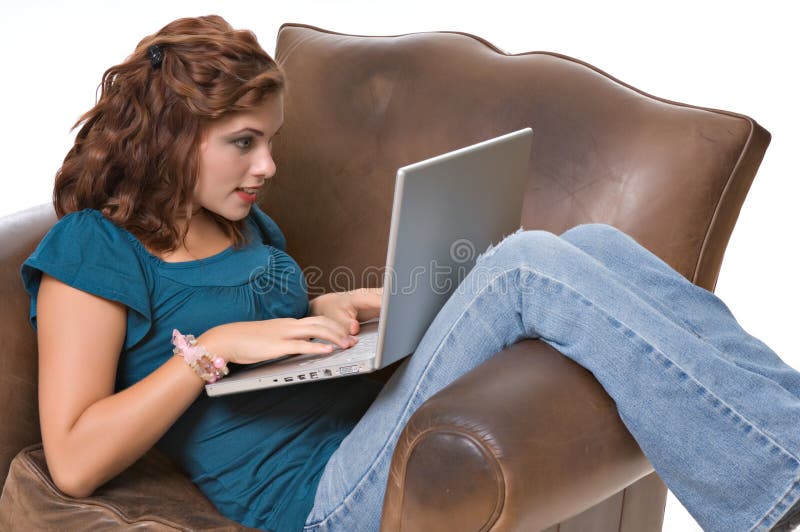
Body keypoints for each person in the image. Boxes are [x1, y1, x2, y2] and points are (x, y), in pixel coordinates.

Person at [20, 14, 800, 532]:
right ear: (168, 138)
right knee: (524, 263)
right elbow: (76, 458)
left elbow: (266, 325)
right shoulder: (96, 248)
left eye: (271, 141)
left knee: (589, 242)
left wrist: (345, 308)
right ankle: (781, 472)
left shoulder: (240, 221)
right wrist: (212, 348)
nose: (269, 164)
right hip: (317, 501)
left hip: (366, 430)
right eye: (244, 142)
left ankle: (786, 424)